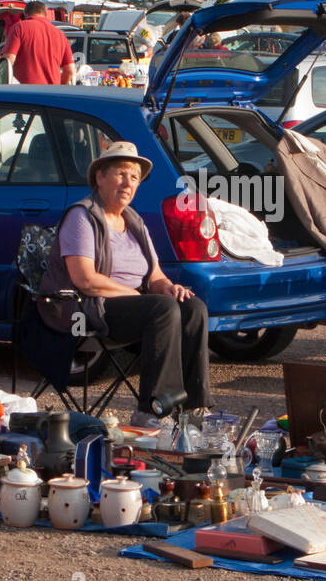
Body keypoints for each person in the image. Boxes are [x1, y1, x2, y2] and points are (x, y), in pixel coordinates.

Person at [36, 141, 210, 424]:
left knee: (193, 307)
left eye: (134, 176)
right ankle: (153, 410)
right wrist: (137, 295)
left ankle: (193, 408)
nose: (128, 182)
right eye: (120, 173)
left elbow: (154, 275)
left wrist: (167, 287)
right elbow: (85, 279)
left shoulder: (134, 220)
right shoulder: (82, 217)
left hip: (132, 308)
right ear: (100, 177)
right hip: (86, 309)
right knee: (163, 309)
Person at [1, 1, 74, 85]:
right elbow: (70, 70)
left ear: (25, 13)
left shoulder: (19, 28)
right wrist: (60, 87)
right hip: (52, 93)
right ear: (45, 14)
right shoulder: (60, 34)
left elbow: (8, 60)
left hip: (26, 92)